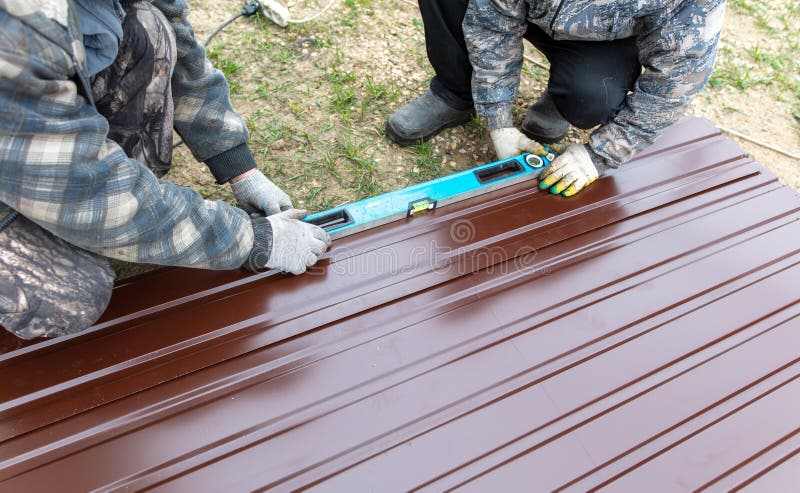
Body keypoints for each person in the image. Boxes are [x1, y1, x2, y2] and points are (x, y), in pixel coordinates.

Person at [0, 0, 331, 340]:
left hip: (34, 127)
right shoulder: (14, 33)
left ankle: (130, 213)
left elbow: (180, 42)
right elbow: (88, 192)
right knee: (64, 296)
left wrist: (239, 167)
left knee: (151, 27)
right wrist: (249, 239)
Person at [386, 0, 726, 197]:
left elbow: (679, 77)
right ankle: (456, 92)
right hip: (524, 6)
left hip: (605, 36)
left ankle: (564, 96)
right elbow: (490, 20)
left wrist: (599, 155)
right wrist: (497, 118)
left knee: (592, 95)